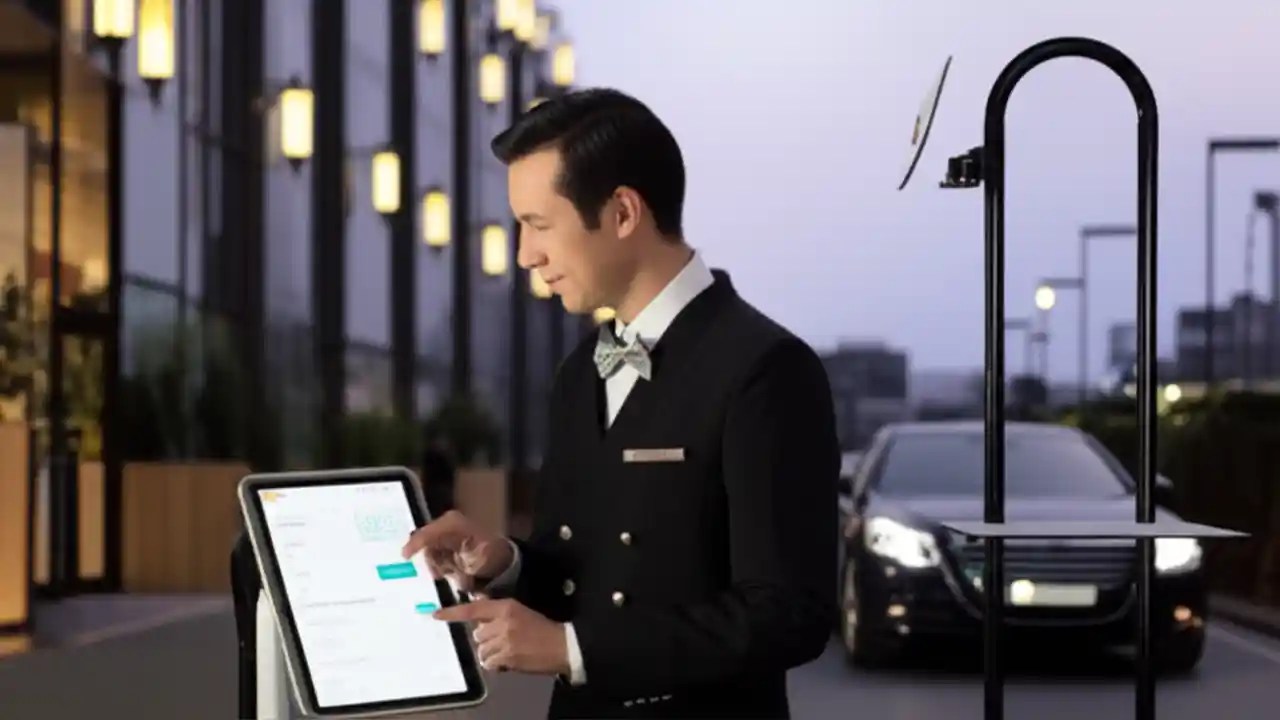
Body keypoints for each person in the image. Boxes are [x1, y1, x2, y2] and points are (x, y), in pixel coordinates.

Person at [402, 88, 839, 719]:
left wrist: (571, 648)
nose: (525, 255)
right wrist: (505, 562)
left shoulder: (766, 368)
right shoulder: (579, 372)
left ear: (624, 213)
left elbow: (789, 614)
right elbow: (583, 574)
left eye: (539, 224)